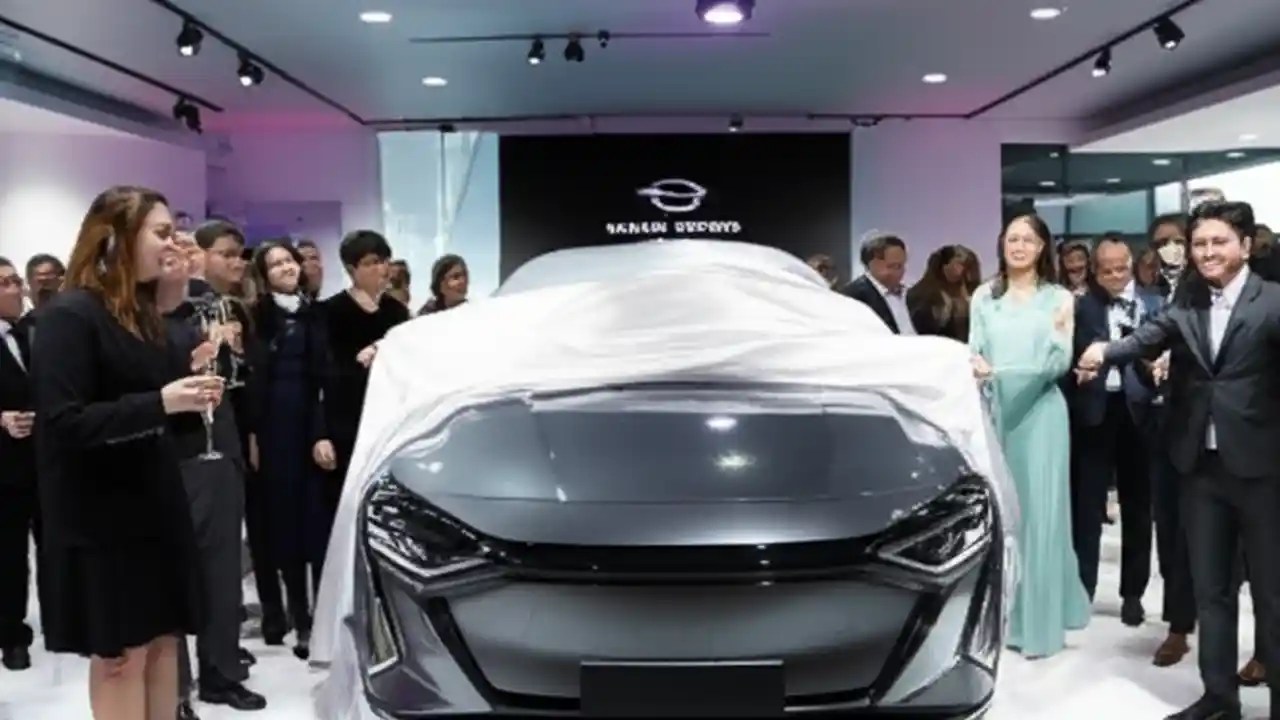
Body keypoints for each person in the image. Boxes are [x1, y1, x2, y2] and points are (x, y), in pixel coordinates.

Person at [1078, 200, 1279, 720]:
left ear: (1245, 246)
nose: (1207, 252)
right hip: (1200, 467)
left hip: (1262, 468)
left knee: (1272, 594)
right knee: (1210, 590)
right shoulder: (1189, 298)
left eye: (1218, 242)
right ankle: (1219, 698)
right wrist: (1105, 352)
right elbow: (1150, 336)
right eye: (1200, 244)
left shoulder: (1273, 301)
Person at [32, 185, 224, 720]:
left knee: (163, 641)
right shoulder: (69, 315)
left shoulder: (142, 315)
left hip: (153, 501)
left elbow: (160, 404)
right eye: (161, 232)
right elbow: (64, 422)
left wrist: (185, 393)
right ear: (117, 237)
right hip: (99, 515)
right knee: (121, 656)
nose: (173, 243)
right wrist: (162, 402)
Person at [969, 214, 1090, 658]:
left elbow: (1059, 360)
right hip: (997, 413)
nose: (1018, 246)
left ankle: (1040, 626)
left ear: (1042, 248)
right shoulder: (985, 296)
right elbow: (974, 350)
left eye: (1027, 240)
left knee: (1042, 518)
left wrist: (1008, 373)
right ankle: (1005, 620)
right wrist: (978, 368)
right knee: (1006, 519)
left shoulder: (1059, 298)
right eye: (1012, 239)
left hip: (1041, 415)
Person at [246, 240, 336, 661]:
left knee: (316, 523)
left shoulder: (316, 313)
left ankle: (324, 617)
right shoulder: (257, 315)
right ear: (264, 276)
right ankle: (299, 619)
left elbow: (324, 378)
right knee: (285, 527)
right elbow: (252, 382)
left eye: (289, 261)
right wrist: (254, 435)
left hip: (312, 423)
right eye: (276, 264)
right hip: (273, 427)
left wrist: (322, 431)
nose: (286, 268)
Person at [1068, 238, 1160, 622]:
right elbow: (1069, 354)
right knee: (1087, 506)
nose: (1114, 276)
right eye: (1106, 270)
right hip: (1095, 411)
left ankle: (1133, 594)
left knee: (1138, 506)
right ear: (1095, 269)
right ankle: (1082, 590)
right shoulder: (1081, 305)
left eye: (1120, 268)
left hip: (1140, 412)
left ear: (1131, 264)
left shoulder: (1153, 303)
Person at [0, 257, 37, 672]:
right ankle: (11, 634)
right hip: (5, 467)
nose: (18, 290)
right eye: (6, 283)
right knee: (9, 556)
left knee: (55, 545)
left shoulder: (32, 334)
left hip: (44, 460)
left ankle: (65, 621)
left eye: (16, 281)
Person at [842, 234, 915, 334]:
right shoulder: (852, 297)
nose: (902, 271)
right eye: (894, 266)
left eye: (902, 265)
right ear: (873, 264)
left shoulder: (910, 293)